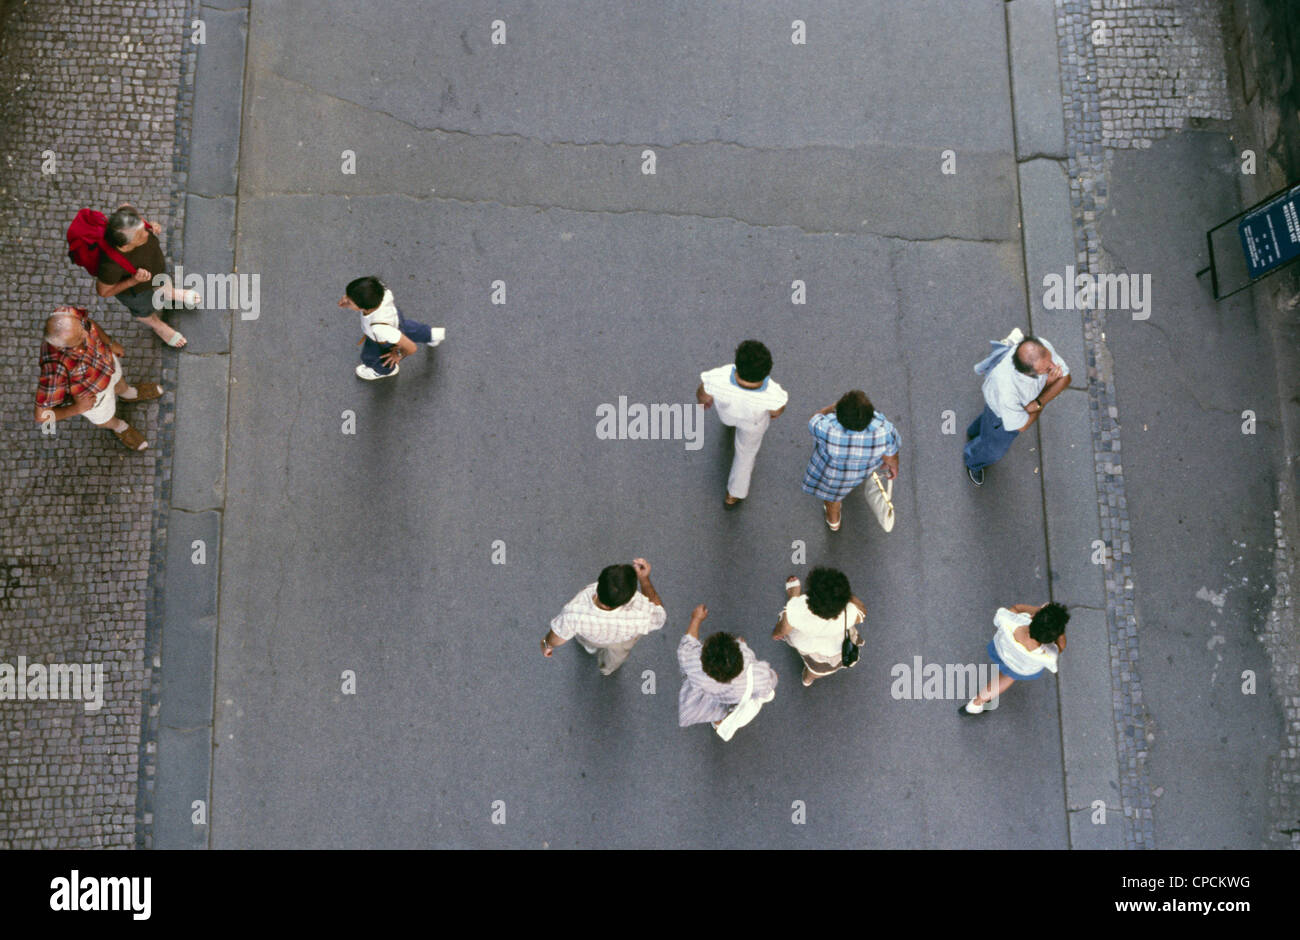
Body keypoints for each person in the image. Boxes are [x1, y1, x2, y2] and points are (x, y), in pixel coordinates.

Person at [33, 306, 162, 451]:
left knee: (119, 381)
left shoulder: (69, 315)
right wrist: (77, 408)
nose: (85, 333)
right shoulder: (55, 369)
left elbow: (91, 324)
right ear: (63, 347)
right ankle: (119, 427)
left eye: (82, 327)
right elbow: (41, 416)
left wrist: (110, 343)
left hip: (107, 363)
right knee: (104, 418)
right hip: (95, 396)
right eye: (79, 338)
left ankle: (128, 393)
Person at [963, 333, 1070, 486]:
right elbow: (1023, 425)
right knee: (993, 450)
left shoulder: (1040, 348)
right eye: (1046, 368)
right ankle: (973, 460)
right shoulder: (1009, 391)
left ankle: (974, 432)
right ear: (1028, 374)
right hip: (1001, 414)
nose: (1054, 366)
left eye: (1051, 360)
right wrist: (1043, 398)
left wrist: (1039, 400)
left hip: (996, 405)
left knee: (987, 421)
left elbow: (1066, 379)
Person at [696, 340, 788, 508]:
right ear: (766, 372)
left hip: (727, 414)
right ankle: (733, 494)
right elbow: (776, 412)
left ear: (737, 365)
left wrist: (703, 403)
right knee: (746, 455)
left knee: (729, 424)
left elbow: (703, 394)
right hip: (752, 423)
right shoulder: (774, 393)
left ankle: (729, 427)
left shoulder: (718, 377)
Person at [94, 204, 198, 348]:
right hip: (137, 292)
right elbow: (103, 291)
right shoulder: (110, 267)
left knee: (162, 280)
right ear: (125, 246)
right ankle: (159, 327)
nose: (147, 233)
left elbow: (125, 206)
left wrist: (151, 224)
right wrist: (132, 281)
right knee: (144, 310)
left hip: (156, 267)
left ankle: (170, 293)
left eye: (143, 227)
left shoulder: (128, 216)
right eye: (140, 234)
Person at [541, 558, 666, 675]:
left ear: (599, 584)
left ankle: (590, 647)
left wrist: (547, 645)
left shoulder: (574, 613)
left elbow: (558, 636)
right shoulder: (642, 614)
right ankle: (606, 669)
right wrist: (644, 579)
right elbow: (659, 616)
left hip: (591, 636)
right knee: (616, 656)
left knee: (586, 641)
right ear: (628, 598)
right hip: (622, 640)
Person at [800, 390, 900, 531]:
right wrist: (894, 467)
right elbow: (891, 455)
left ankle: (834, 523)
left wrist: (832, 407)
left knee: (833, 500)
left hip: (834, 477)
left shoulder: (827, 429)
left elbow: (814, 418)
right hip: (862, 471)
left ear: (839, 415)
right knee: (853, 483)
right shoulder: (884, 430)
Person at [677, 603, 778, 728]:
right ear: (739, 661)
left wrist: (696, 618)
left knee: (713, 708)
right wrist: (742, 646)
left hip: (710, 694)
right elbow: (770, 682)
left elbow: (687, 644)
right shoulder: (758, 676)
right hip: (734, 696)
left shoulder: (693, 664)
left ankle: (716, 719)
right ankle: (720, 722)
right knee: (730, 707)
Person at [959, 602, 1070, 715]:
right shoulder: (1048, 654)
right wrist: (1059, 631)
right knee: (1007, 677)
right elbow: (1061, 646)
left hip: (1001, 650)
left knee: (1004, 668)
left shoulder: (1011, 621)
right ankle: (975, 704)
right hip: (1020, 667)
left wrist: (1040, 611)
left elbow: (1017, 608)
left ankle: (976, 705)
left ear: (1033, 616)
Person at [339, 276, 445, 381]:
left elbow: (412, 347)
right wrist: (349, 301)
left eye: (349, 302)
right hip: (395, 319)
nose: (344, 299)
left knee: (370, 357)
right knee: (409, 330)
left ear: (364, 308)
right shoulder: (381, 290)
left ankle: (384, 371)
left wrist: (399, 354)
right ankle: (431, 335)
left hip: (383, 338)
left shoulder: (379, 328)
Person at [772, 567, 865, 686]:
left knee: (813, 662)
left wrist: (793, 596)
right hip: (837, 648)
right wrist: (842, 595)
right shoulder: (851, 611)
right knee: (818, 670)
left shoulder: (798, 610)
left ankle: (808, 677)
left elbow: (782, 630)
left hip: (808, 643)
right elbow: (862, 611)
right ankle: (808, 679)